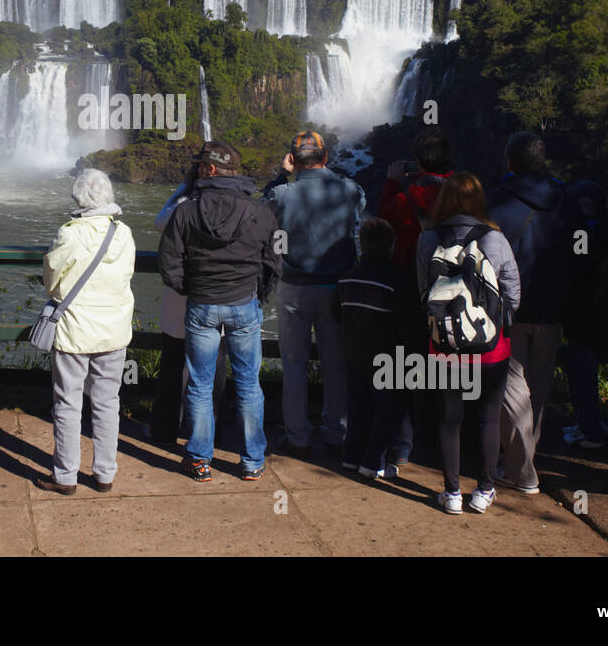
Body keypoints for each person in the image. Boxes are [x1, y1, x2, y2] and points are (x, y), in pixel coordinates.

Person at [159, 141, 280, 483]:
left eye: (201, 165)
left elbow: (169, 260)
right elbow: (274, 261)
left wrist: (190, 288)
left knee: (199, 382)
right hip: (244, 305)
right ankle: (253, 461)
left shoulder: (186, 211)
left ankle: (199, 459)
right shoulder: (260, 212)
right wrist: (257, 294)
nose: (196, 169)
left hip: (202, 305)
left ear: (210, 170)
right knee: (248, 383)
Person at [416, 173, 521, 515]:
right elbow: (512, 290)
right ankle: (485, 490)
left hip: (444, 345)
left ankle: (452, 494)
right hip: (491, 346)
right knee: (488, 418)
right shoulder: (495, 239)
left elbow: (423, 292)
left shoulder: (428, 238)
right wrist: (498, 323)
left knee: (449, 418)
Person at [263, 131, 365, 455]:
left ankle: (297, 435)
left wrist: (282, 174)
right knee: (335, 363)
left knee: (294, 364)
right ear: (326, 156)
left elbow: (260, 212)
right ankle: (336, 432)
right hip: (337, 288)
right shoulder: (348, 189)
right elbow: (359, 215)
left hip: (294, 287)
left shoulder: (281, 193)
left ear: (293, 159)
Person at [36, 169, 136, 494]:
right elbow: (127, 276)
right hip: (113, 331)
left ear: (78, 196)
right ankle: (105, 474)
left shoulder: (70, 234)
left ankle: (65, 476)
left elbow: (51, 281)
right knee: (108, 402)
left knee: (67, 403)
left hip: (75, 333)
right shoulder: (123, 234)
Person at [485, 132, 574, 496]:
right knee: (537, 387)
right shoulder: (564, 200)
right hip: (552, 306)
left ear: (509, 162)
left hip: (509, 310)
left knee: (510, 385)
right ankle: (525, 459)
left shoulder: (493, 203)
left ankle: (522, 470)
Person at [377, 128, 453, 465]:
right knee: (447, 363)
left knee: (406, 365)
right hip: (451, 291)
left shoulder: (402, 198)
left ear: (417, 162)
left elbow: (381, 224)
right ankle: (444, 442)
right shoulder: (460, 195)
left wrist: (394, 182)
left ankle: (403, 446)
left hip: (409, 289)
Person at [149, 162, 226, 445]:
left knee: (172, 368)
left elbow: (159, 221)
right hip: (217, 299)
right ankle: (207, 432)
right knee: (212, 371)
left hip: (179, 301)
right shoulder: (232, 204)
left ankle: (164, 431)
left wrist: (183, 186)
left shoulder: (182, 205)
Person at [338, 218, 421, 479]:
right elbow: (407, 323)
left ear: (361, 245)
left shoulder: (346, 278)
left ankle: (351, 456)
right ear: (391, 246)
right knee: (388, 411)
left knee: (358, 408)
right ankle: (373, 461)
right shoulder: (396, 280)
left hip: (353, 352)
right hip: (387, 355)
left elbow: (335, 312)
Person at [560, 180, 608, 448]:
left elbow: (577, 267)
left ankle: (589, 428)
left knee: (582, 373)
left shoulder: (580, 234)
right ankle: (589, 425)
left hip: (584, 314)